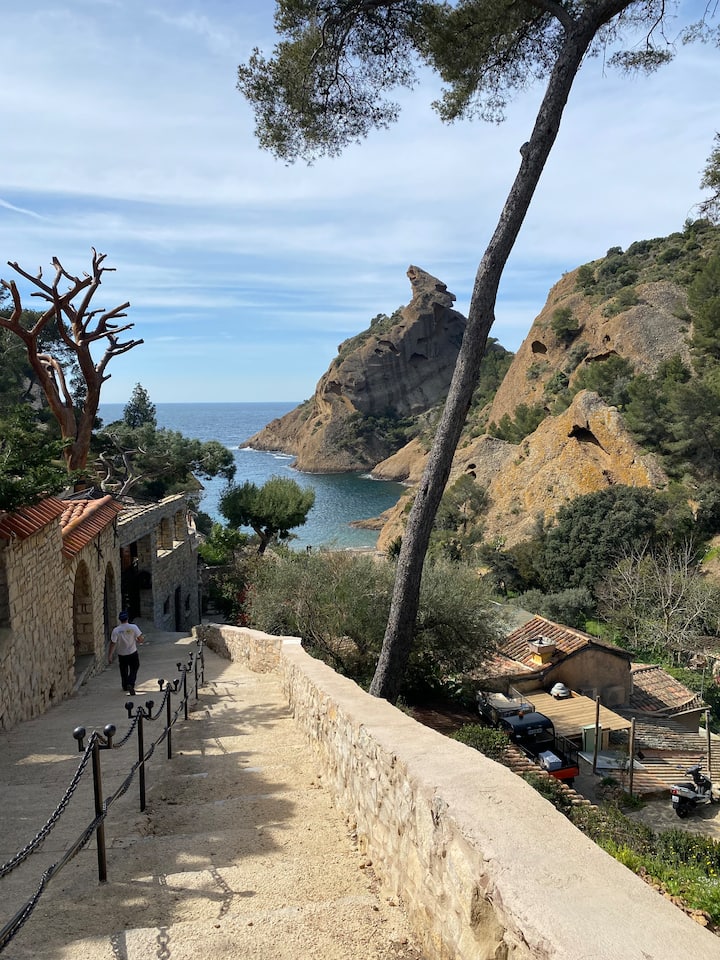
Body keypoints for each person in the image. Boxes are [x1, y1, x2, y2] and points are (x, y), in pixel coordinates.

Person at [108, 611, 144, 696]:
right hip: (132, 652)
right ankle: (130, 683)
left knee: (123, 670)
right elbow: (140, 639)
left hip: (122, 654)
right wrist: (139, 640)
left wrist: (110, 655)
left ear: (120, 619)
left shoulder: (116, 630)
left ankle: (125, 686)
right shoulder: (133, 627)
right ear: (127, 618)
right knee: (134, 667)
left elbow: (113, 643)